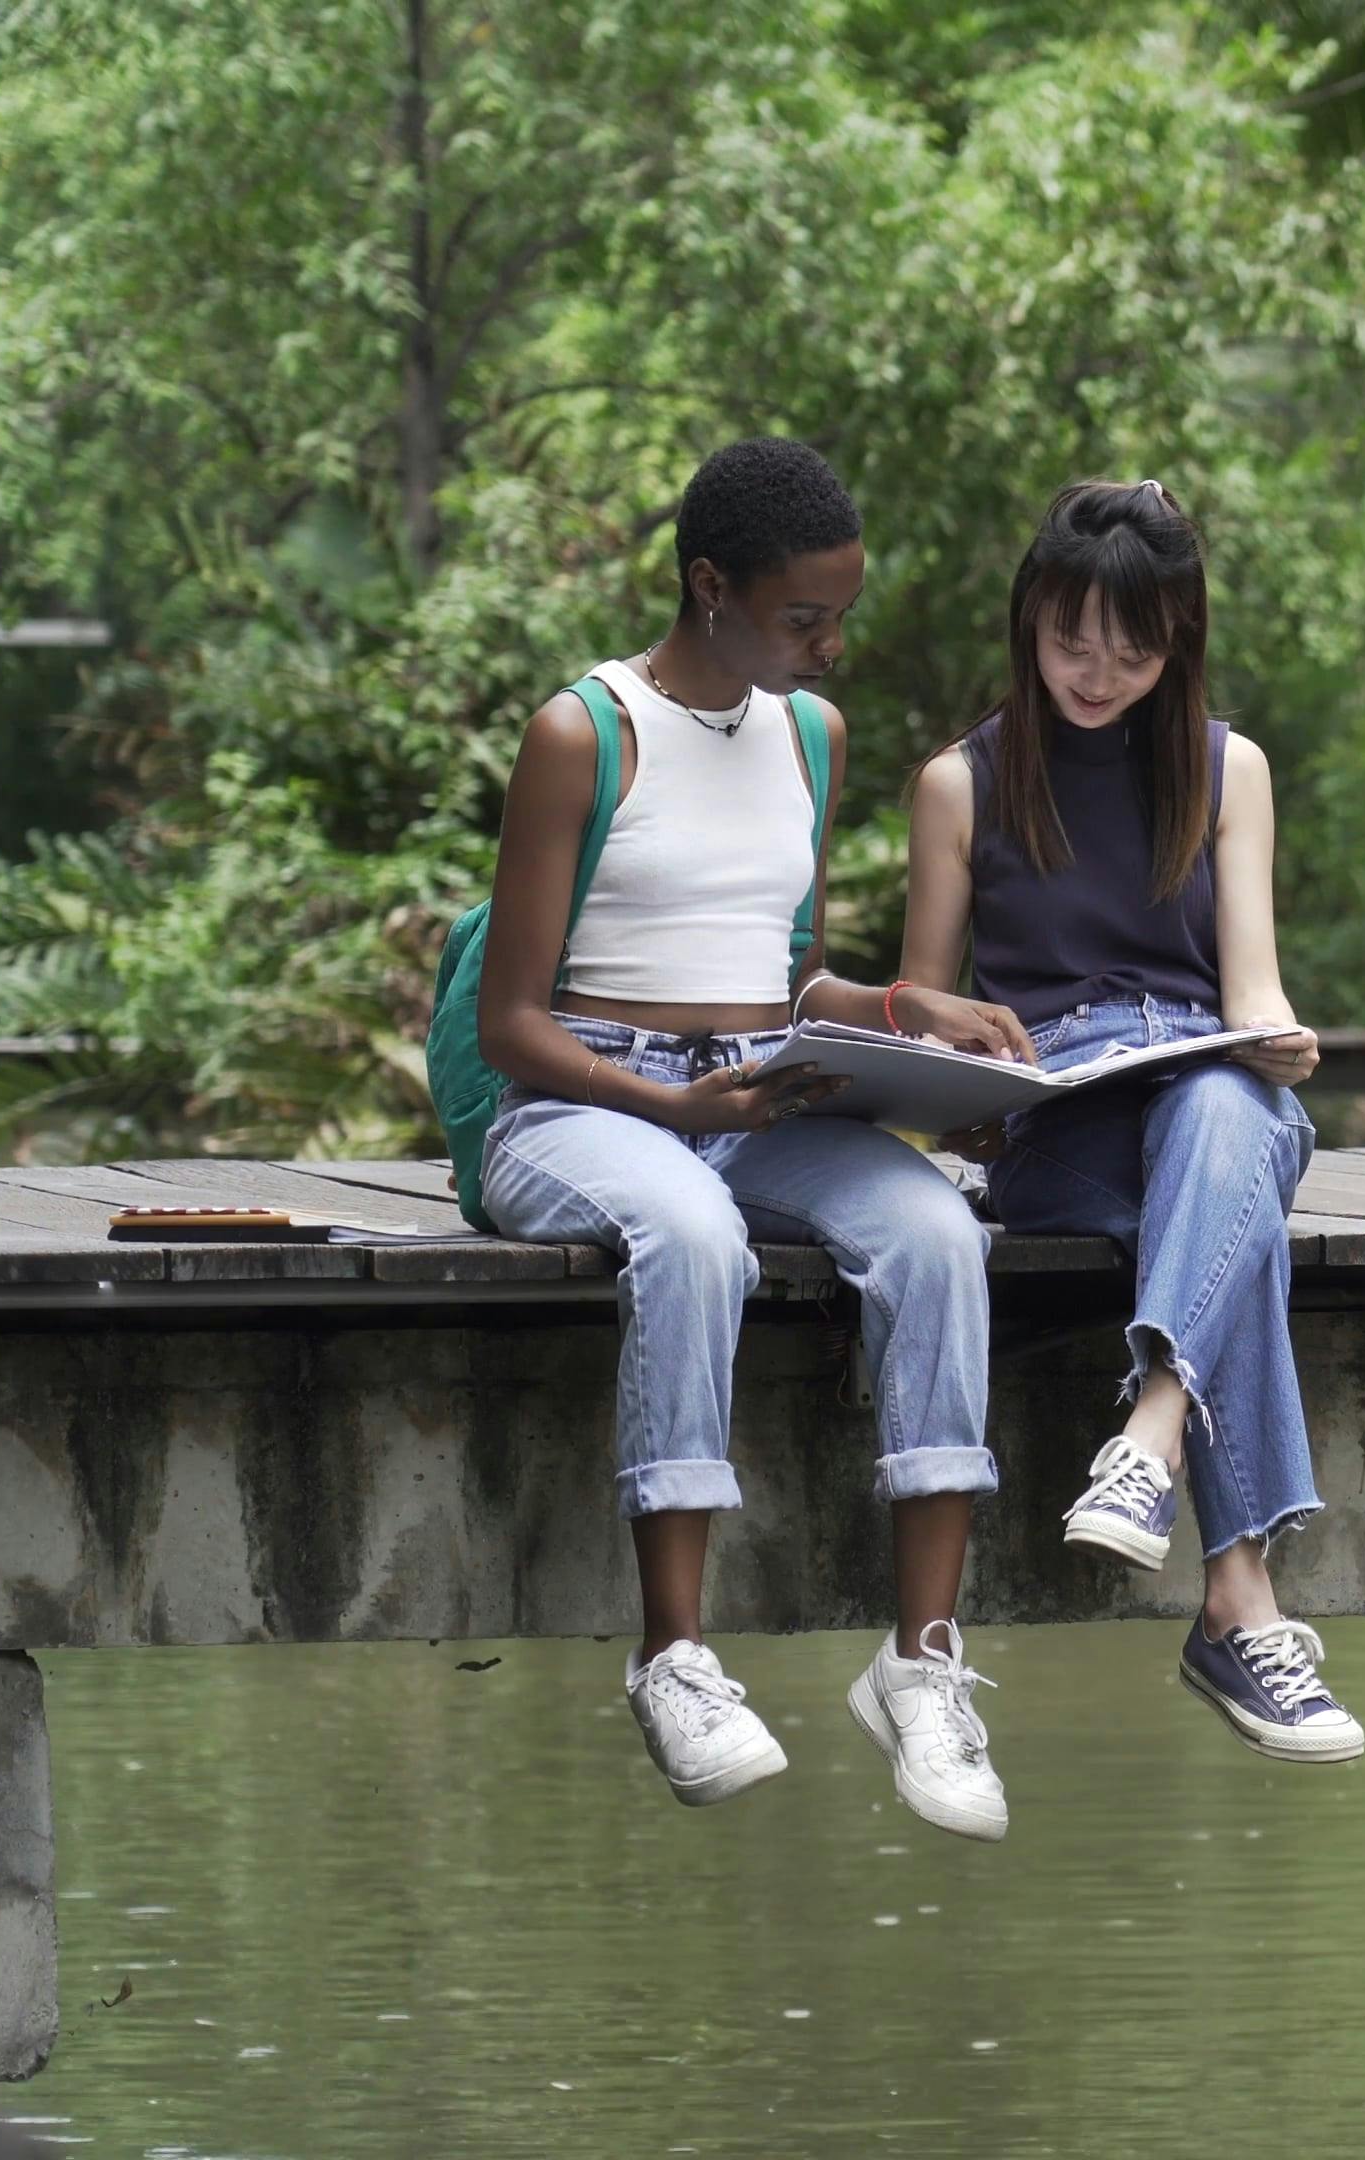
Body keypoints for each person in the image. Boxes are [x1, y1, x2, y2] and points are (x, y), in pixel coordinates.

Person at [473, 436, 1040, 1838]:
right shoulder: (580, 734)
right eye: (804, 618)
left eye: (841, 615)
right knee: (691, 1230)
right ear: (708, 586)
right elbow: (510, 1024)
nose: (833, 646)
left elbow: (790, 973)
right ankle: (674, 1658)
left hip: (755, 1089)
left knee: (931, 1228)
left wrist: (908, 1013)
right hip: (587, 1106)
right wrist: (671, 1109)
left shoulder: (809, 736)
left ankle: (919, 1666)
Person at [902, 477, 1365, 1763]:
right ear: (1029, 622)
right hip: (1063, 1126)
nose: (1098, 673)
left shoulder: (1230, 770)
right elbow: (921, 1012)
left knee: (1229, 1099)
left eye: (1134, 648)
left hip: (1207, 1093)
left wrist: (1283, 1038)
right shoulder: (962, 783)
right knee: (1239, 1208)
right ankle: (1236, 1603)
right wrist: (959, 1067)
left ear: (1179, 645)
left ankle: (1152, 1432)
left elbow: (1253, 988)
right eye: (1072, 641)